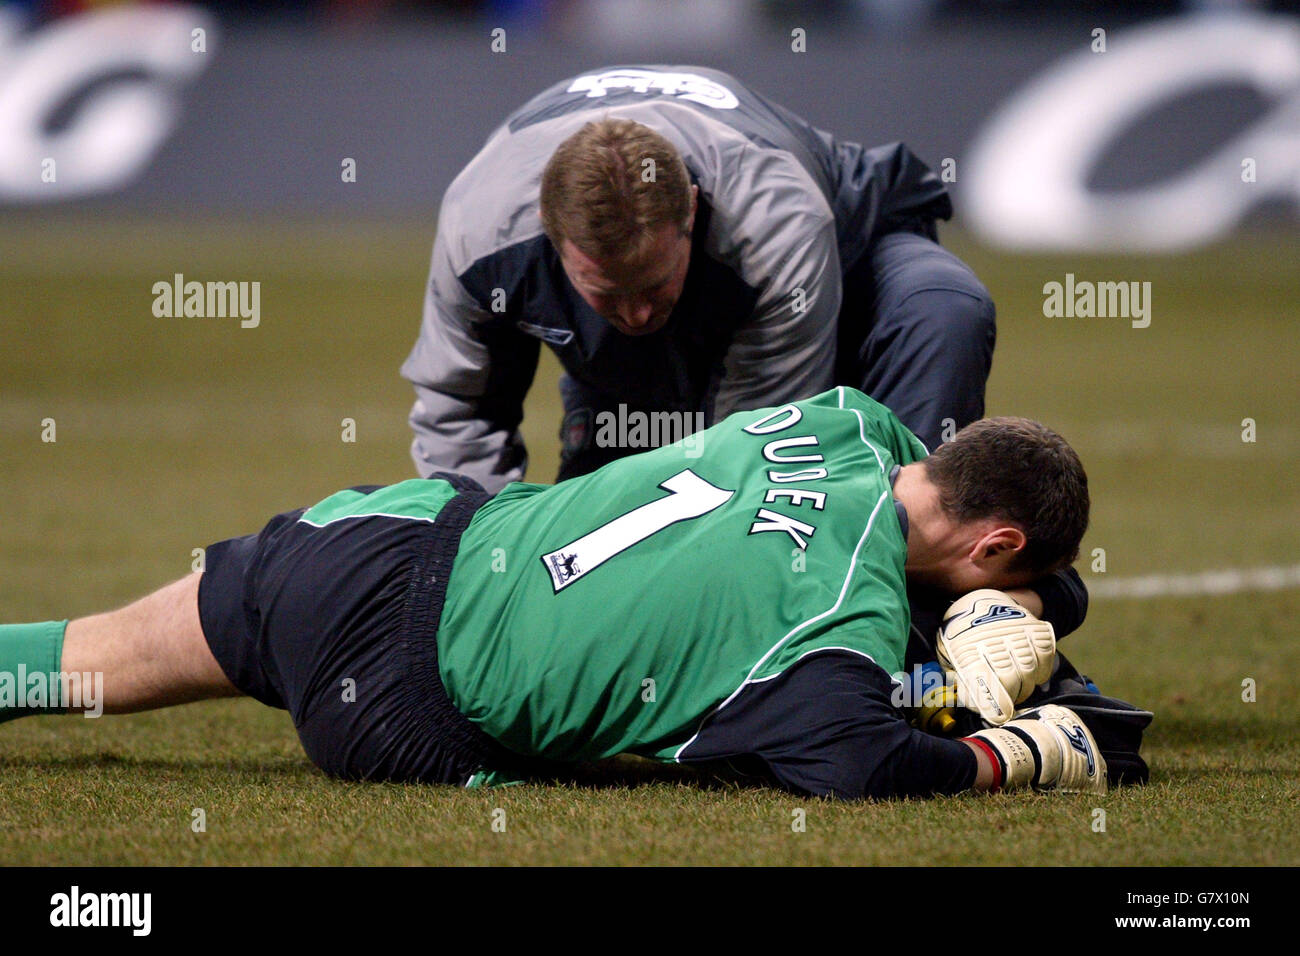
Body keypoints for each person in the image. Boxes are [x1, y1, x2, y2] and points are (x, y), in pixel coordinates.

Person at [0, 388, 1150, 799]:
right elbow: (854, 758)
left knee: (67, 659)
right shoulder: (833, 630)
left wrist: (974, 622)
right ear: (998, 541)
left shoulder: (846, 418)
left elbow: (884, 543)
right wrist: (1022, 744)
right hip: (404, 703)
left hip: (385, 534)